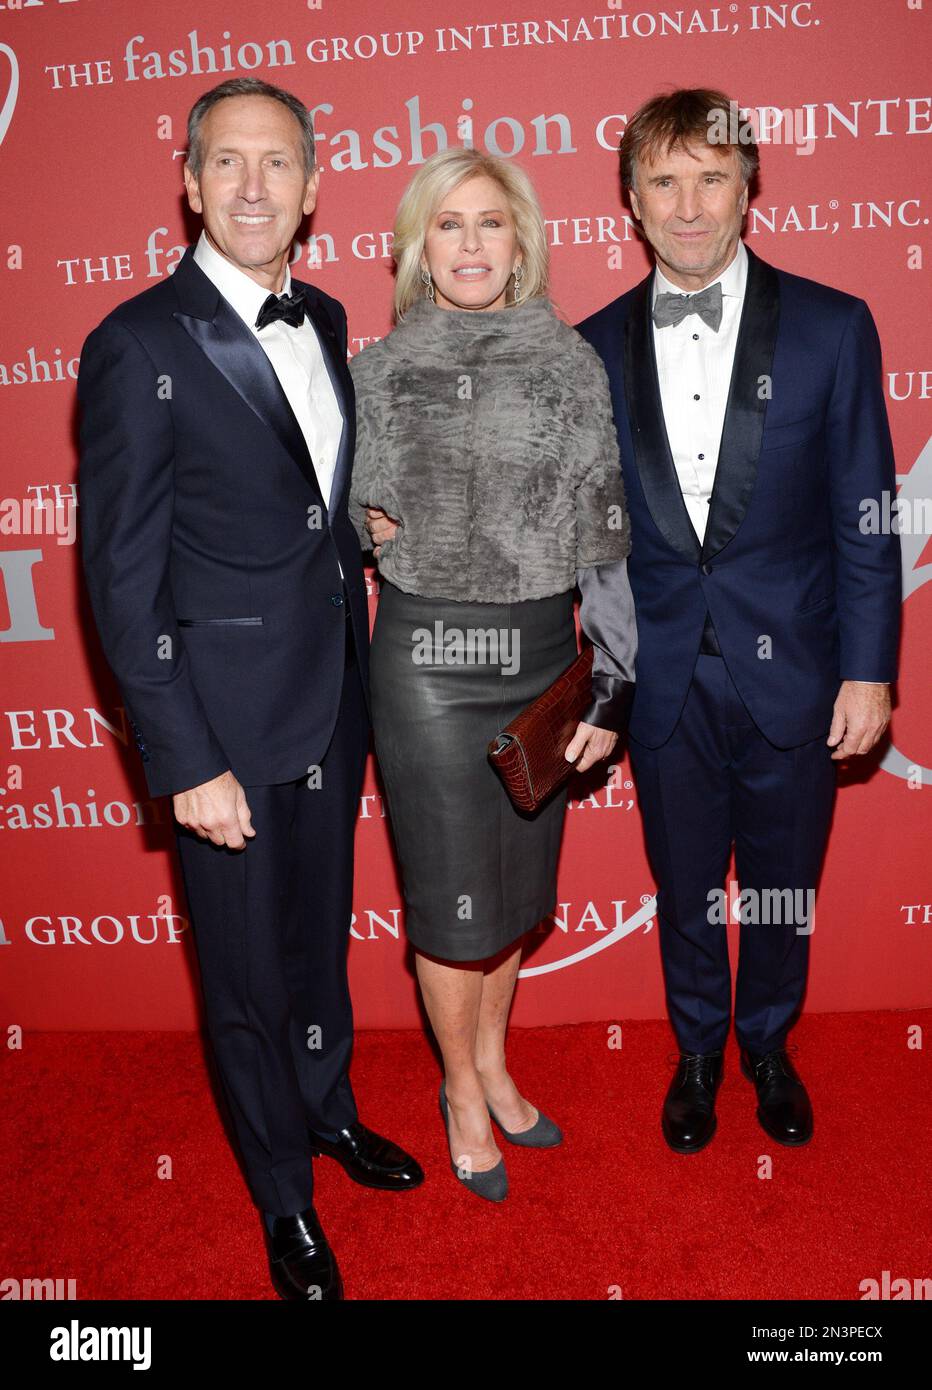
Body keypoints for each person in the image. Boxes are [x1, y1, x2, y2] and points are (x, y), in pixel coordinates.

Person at [77, 77, 422, 1302]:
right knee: (239, 983)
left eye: (278, 164)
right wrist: (180, 759)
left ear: (315, 188)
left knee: (315, 949)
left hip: (331, 702)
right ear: (189, 182)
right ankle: (283, 1196)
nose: (254, 187)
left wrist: (355, 530)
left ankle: (325, 1112)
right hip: (219, 725)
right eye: (228, 162)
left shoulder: (323, 315)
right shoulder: (137, 344)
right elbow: (119, 581)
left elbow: (299, 501)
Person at [574, 88, 901, 1153]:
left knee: (778, 884)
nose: (686, 204)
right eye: (662, 180)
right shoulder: (587, 348)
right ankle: (697, 1047)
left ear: (747, 187)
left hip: (797, 671)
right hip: (660, 675)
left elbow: (865, 516)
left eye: (709, 177)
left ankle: (765, 1040)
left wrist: (868, 670)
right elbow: (574, 531)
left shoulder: (831, 325)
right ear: (628, 198)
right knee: (681, 886)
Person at [351, 148, 637, 1202]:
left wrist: (609, 680)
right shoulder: (376, 370)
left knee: (514, 900)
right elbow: (336, 507)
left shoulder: (568, 363)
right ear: (418, 249)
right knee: (450, 907)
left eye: (488, 223)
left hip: (538, 654)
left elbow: (603, 525)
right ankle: (461, 1091)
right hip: (426, 658)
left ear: (519, 244)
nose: (468, 244)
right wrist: (359, 520)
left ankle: (497, 1063)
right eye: (446, 225)